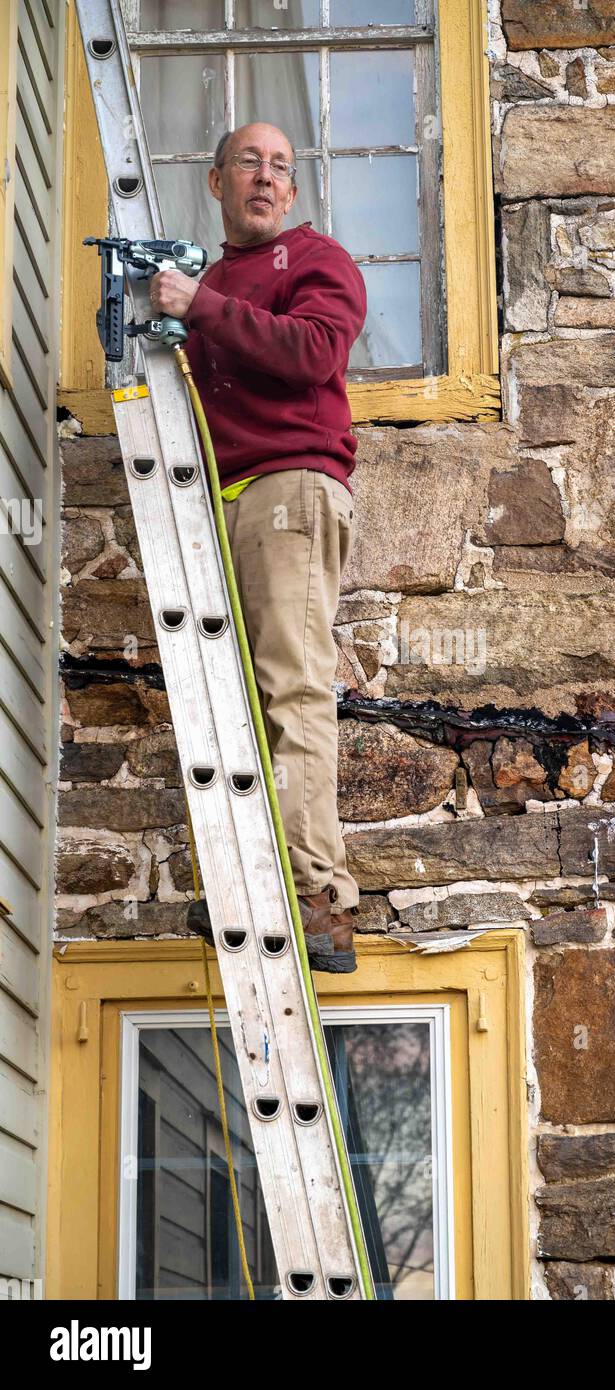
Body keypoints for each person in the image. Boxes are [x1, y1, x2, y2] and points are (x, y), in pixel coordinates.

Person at [148, 122, 367, 973]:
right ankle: (256, 881)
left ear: (296, 193)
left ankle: (318, 898)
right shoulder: (208, 282)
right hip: (223, 501)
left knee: (293, 687)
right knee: (240, 699)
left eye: (282, 166)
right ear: (216, 184)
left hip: (288, 487)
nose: (266, 178)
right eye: (249, 162)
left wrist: (195, 305)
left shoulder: (316, 260)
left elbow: (313, 354)